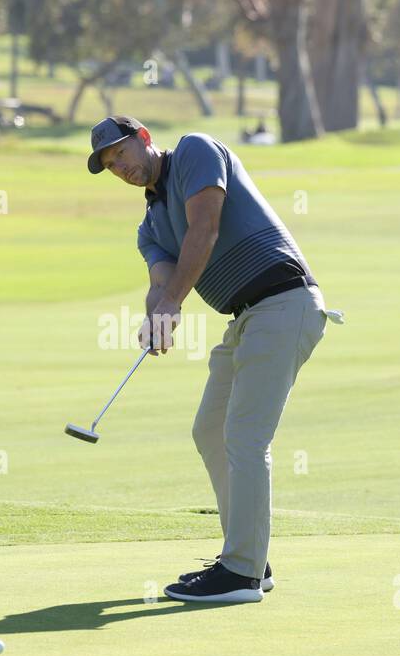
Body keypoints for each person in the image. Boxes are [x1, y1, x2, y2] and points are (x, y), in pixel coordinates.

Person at [87, 115, 342, 604]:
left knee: (245, 436)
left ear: (144, 139)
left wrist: (172, 302)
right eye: (109, 164)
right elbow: (161, 283)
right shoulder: (150, 226)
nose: (119, 166)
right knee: (210, 430)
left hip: (285, 302)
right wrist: (157, 317)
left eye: (121, 153)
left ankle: (241, 572)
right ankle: (250, 557)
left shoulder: (196, 153)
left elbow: (205, 229)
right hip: (246, 318)